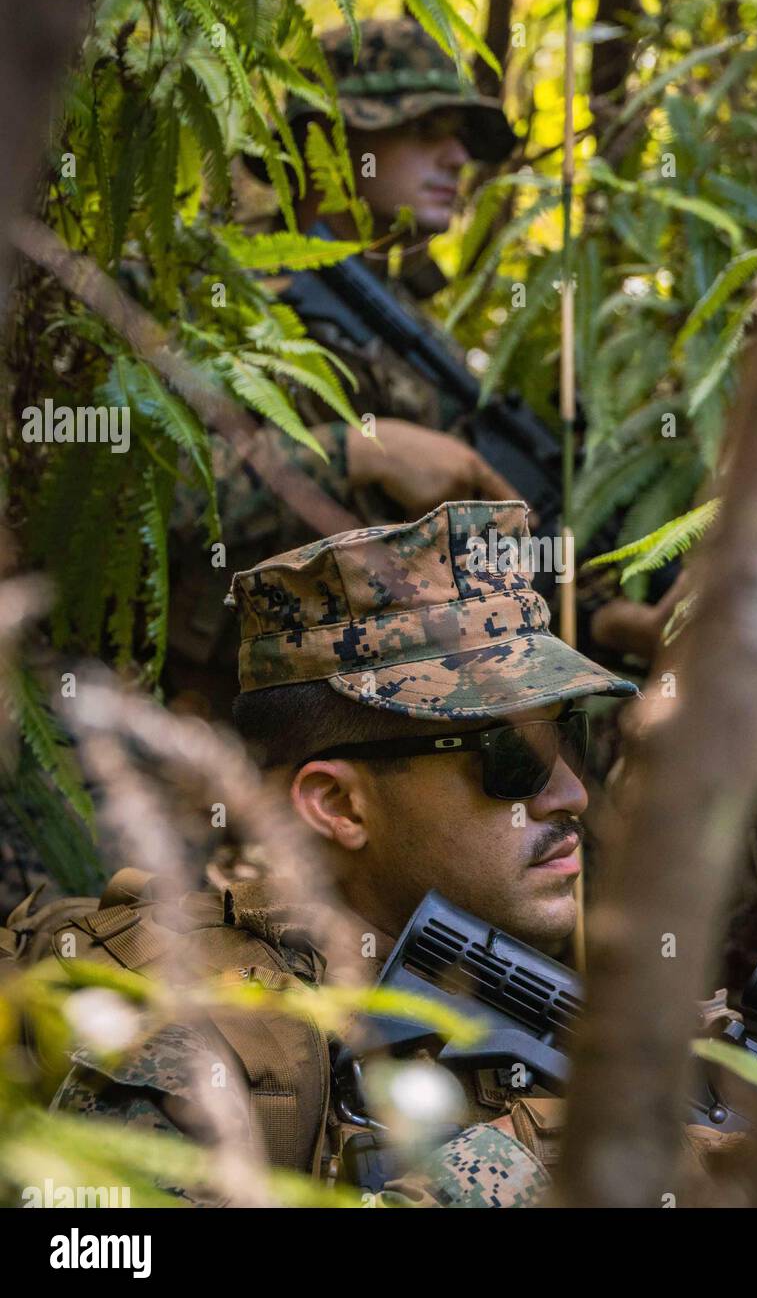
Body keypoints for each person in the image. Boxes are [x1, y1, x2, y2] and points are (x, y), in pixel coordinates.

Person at [46, 500, 642, 1206]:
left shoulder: (512, 992)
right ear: (337, 804)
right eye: (513, 755)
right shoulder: (179, 1034)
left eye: (565, 736)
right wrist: (518, 1171)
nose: (569, 793)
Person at [167, 18, 524, 722]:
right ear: (325, 138)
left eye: (463, 137)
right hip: (212, 725)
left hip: (391, 721)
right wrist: (355, 452)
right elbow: (139, 498)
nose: (457, 158)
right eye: (426, 131)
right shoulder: (207, 289)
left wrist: (607, 617)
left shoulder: (422, 336)